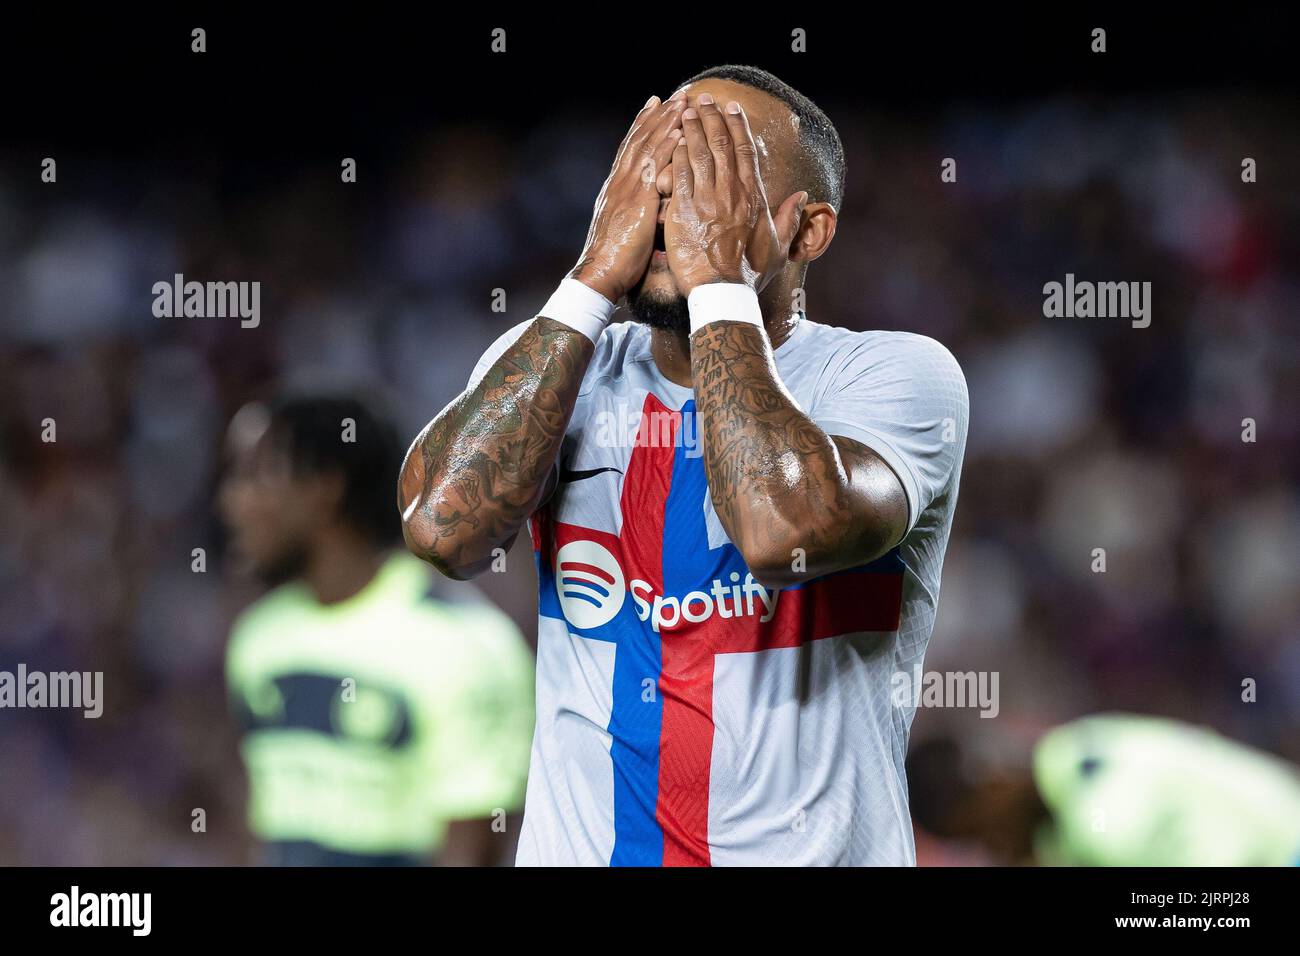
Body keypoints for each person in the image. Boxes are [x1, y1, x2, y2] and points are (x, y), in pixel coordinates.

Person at [399, 65, 969, 866]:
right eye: (659, 180)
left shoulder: (891, 377)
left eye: (717, 181)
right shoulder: (561, 364)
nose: (673, 214)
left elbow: (781, 531)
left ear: (808, 232)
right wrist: (590, 278)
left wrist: (718, 289)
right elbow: (441, 528)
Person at [221, 393, 534, 865]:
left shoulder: (464, 647)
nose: (231, 501)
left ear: (325, 488)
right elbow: (261, 830)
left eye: (256, 475)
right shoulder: (259, 640)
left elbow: (473, 851)